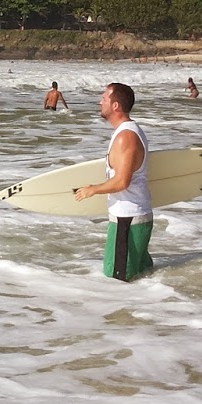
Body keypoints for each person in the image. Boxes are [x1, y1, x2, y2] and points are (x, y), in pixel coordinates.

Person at [73, 83, 153, 282]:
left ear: (116, 106)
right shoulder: (125, 132)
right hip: (131, 217)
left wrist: (93, 190)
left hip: (128, 218)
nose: (100, 102)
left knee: (118, 280)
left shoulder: (126, 137)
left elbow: (122, 181)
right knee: (140, 277)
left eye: (104, 98)